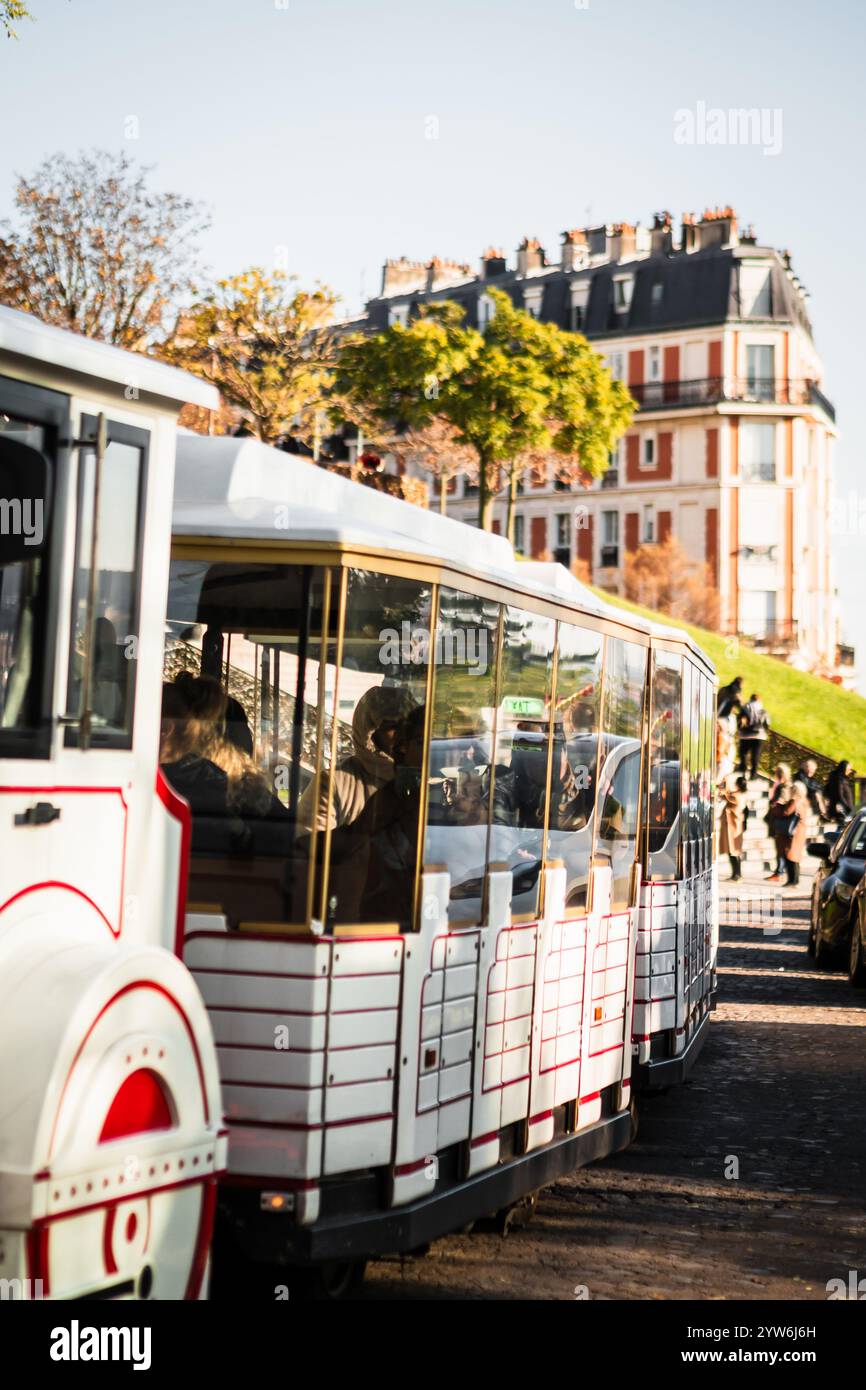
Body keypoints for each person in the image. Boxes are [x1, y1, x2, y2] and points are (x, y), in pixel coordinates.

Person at [298, 684, 416, 831]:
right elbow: (309, 846)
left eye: (408, 725)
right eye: (392, 726)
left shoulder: (429, 779)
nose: (403, 734)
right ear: (370, 733)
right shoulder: (333, 784)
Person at [777, 779, 809, 887]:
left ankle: (792, 880)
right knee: (796, 857)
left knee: (790, 856)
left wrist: (779, 805)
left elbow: (786, 812)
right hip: (800, 831)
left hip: (792, 832)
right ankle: (795, 880)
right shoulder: (804, 801)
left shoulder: (795, 800)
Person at [766, 762, 792, 882]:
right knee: (780, 848)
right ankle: (779, 871)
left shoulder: (784, 787)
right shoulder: (785, 786)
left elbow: (782, 801)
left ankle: (779, 872)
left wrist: (773, 805)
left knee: (780, 848)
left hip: (781, 820)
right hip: (780, 820)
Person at [719, 773, 748, 881]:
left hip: (734, 826)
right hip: (731, 826)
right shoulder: (737, 793)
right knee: (731, 850)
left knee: (734, 850)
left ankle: (737, 874)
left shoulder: (739, 796)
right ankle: (735, 874)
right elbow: (725, 794)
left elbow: (727, 796)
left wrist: (725, 784)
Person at [738, 692, 770, 779]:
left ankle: (743, 771)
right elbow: (767, 724)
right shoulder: (763, 710)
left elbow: (740, 720)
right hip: (759, 735)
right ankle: (753, 775)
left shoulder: (746, 707)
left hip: (745, 735)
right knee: (755, 756)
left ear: (751, 698)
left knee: (743, 753)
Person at [824, 759, 855, 824]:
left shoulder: (841, 778)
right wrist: (848, 809)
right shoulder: (839, 779)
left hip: (842, 809)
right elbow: (840, 795)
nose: (850, 771)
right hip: (841, 810)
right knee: (842, 828)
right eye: (849, 769)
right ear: (844, 769)